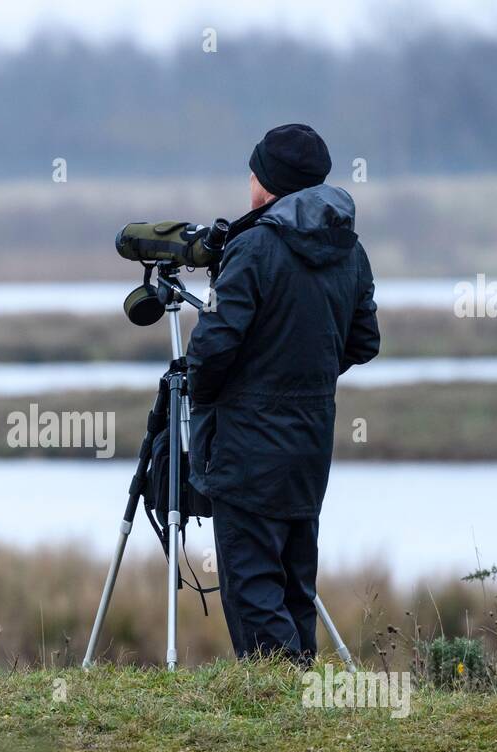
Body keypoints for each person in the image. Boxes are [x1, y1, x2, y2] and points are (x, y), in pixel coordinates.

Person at [186, 123, 380, 664]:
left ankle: (279, 699)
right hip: (311, 443)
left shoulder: (253, 248)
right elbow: (364, 341)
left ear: (269, 184)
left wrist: (212, 394)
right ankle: (301, 700)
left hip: (247, 446)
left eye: (253, 174)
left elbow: (212, 349)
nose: (249, 183)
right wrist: (305, 375)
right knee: (297, 580)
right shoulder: (349, 248)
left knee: (251, 582)